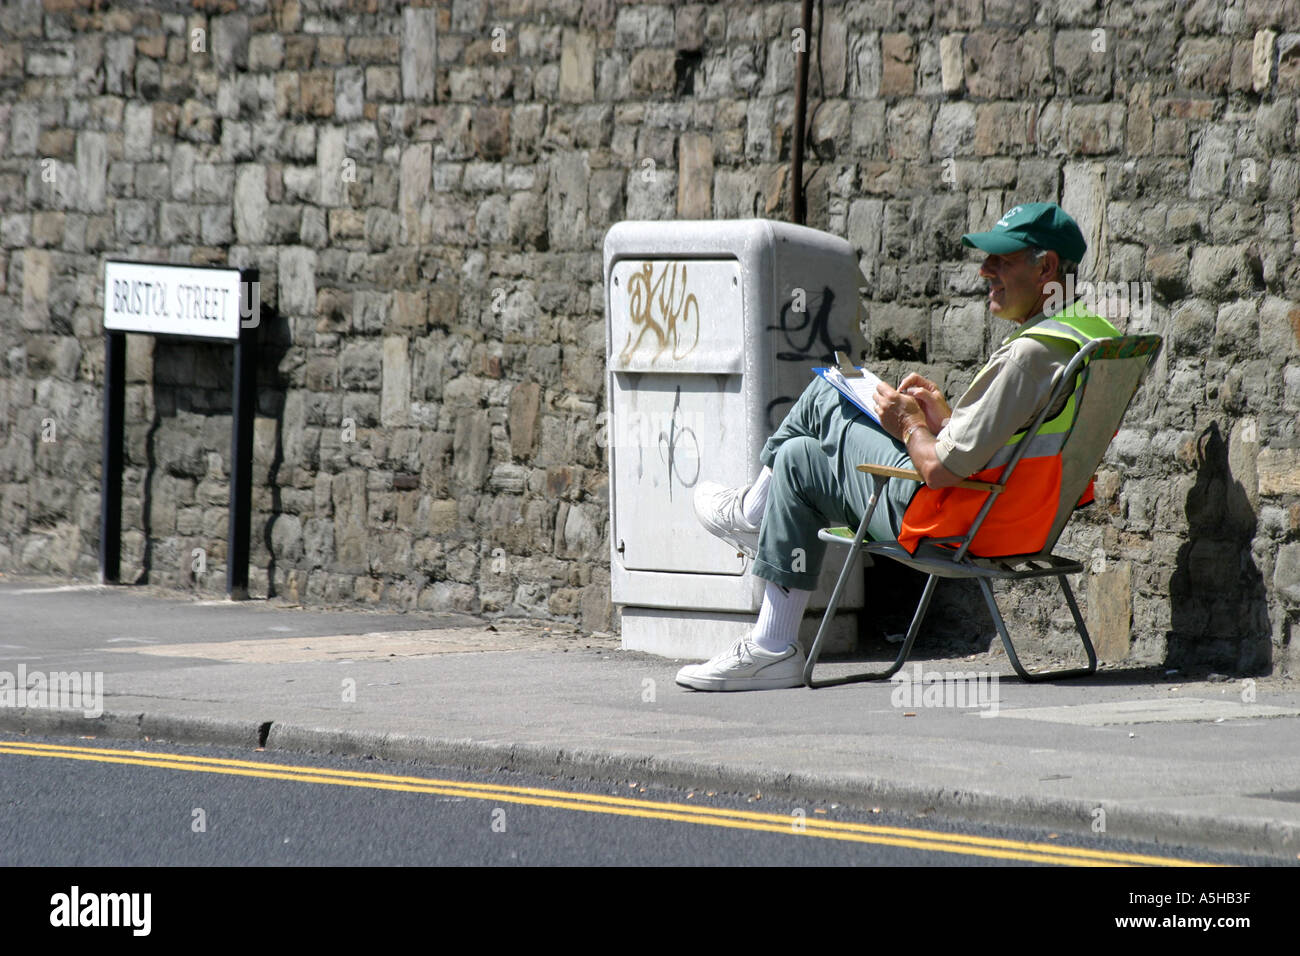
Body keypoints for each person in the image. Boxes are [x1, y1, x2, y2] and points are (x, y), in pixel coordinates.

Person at [676, 202, 1121, 691]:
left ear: (1047, 268)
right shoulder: (1090, 337)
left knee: (823, 402)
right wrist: (946, 419)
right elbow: (1021, 445)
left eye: (1003, 259)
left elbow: (938, 469)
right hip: (1021, 517)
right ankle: (768, 634)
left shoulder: (1028, 355)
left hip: (952, 518)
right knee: (800, 453)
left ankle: (755, 533)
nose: (985, 270)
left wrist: (911, 424)